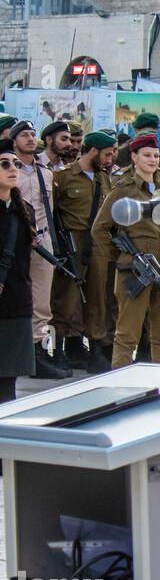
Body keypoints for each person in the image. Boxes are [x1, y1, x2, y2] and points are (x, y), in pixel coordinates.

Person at [90, 134, 160, 368]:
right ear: (134, 157)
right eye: (147, 155)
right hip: (135, 264)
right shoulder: (124, 189)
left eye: (156, 155)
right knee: (128, 331)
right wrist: (121, 256)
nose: (153, 160)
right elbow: (100, 229)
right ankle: (121, 381)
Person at [50, 129, 116, 373]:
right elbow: (52, 212)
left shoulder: (103, 178)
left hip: (98, 245)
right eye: (106, 154)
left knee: (99, 297)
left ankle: (96, 350)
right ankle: (59, 351)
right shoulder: (64, 177)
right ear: (93, 151)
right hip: (72, 244)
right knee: (66, 298)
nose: (110, 159)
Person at [12, 121, 67, 379]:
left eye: (33, 134)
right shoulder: (10, 171)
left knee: (42, 304)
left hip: (42, 242)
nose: (31, 138)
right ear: (13, 141)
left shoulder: (45, 173)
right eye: (24, 134)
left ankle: (38, 354)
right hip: (15, 244)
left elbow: (49, 211)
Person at [0, 139, 34, 401]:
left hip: (16, 302)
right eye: (4, 164)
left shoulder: (25, 211)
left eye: (16, 164)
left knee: (8, 386)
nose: (13, 169)